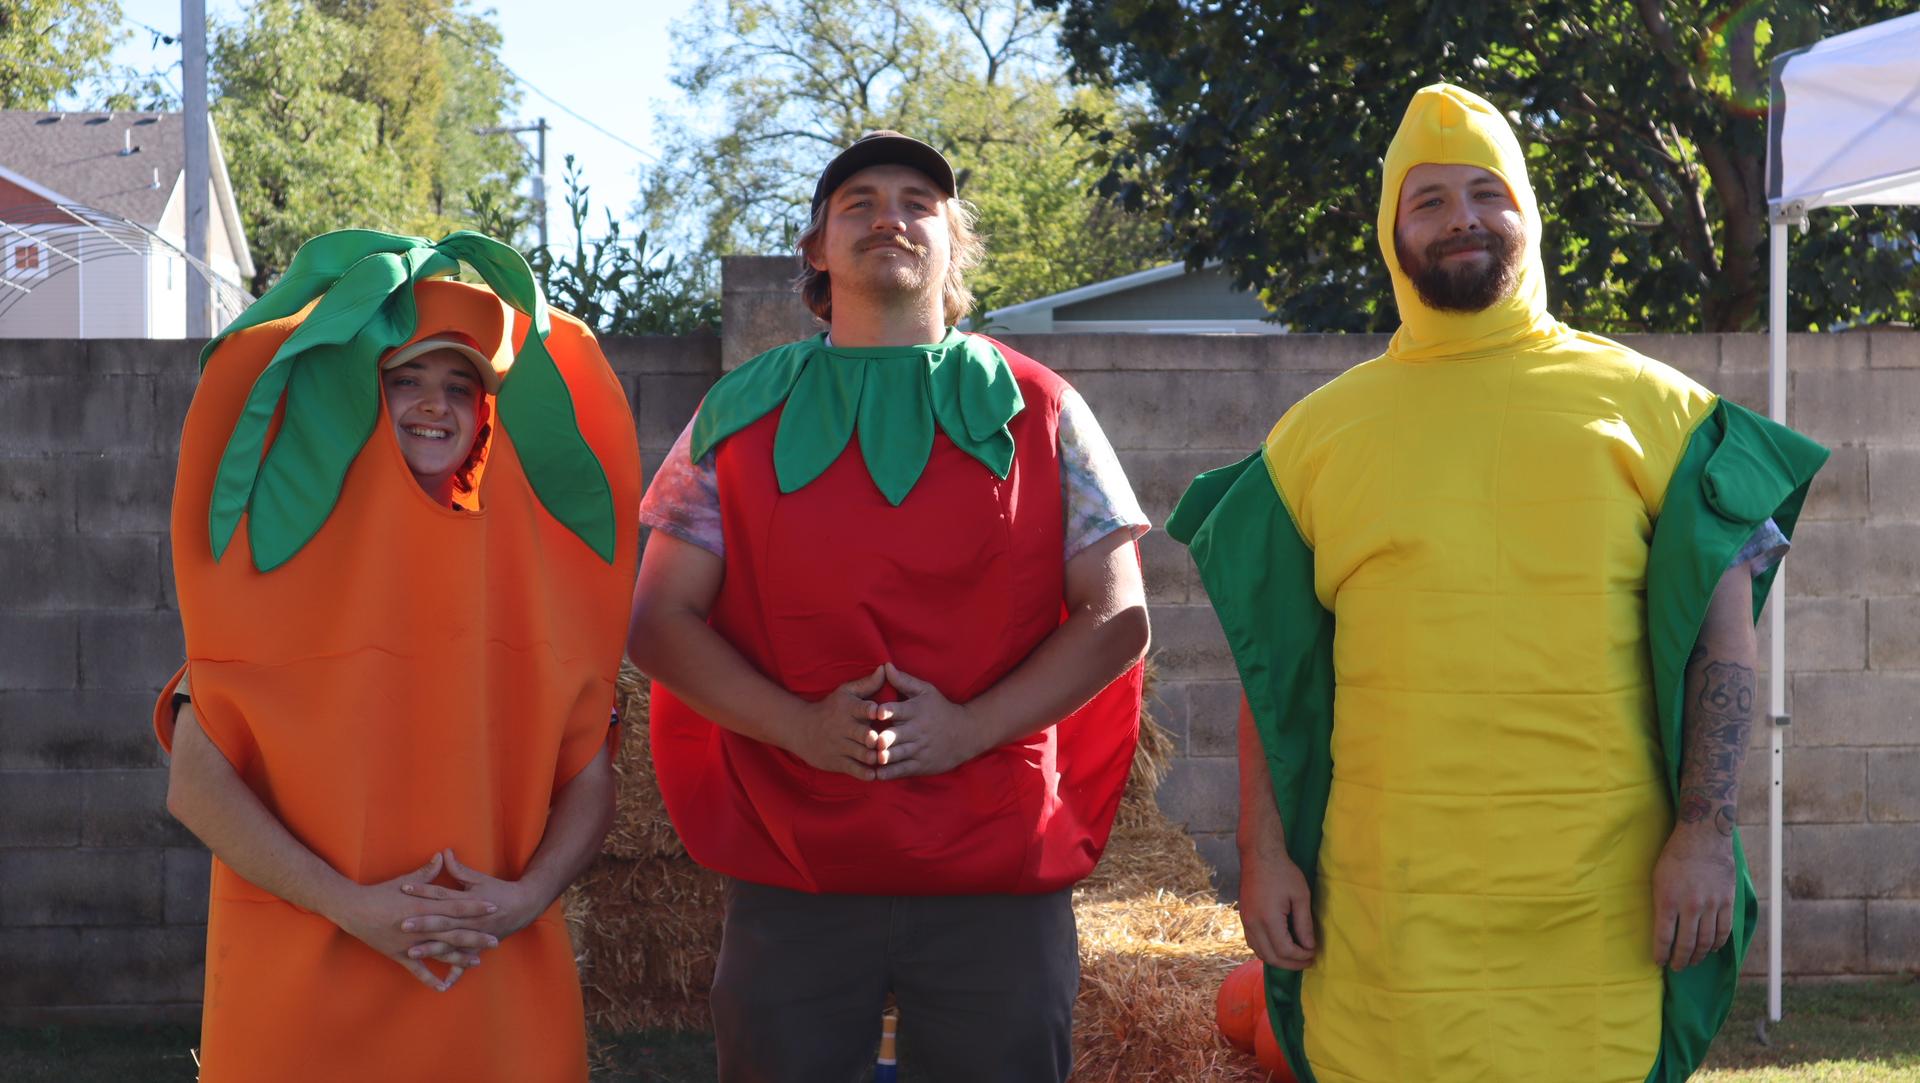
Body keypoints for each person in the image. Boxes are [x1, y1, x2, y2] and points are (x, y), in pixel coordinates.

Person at [1166, 85, 1828, 1083]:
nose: (1462, 218)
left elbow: (1722, 644)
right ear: (1392, 232)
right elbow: (1275, 674)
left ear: (1528, 213)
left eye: (1487, 192)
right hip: (1388, 909)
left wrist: (1704, 834)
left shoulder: (1658, 412)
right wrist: (1263, 853)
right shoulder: (1314, 439)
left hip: (1596, 905)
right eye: (1428, 199)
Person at [627, 131, 1150, 1083]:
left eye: (917, 202)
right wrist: (796, 725)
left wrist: (969, 728)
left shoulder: (1046, 408)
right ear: (817, 250)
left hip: (996, 867)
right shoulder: (734, 414)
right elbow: (658, 620)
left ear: (954, 243)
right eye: (858, 203)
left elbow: (1119, 616)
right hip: (796, 868)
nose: (889, 218)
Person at [155, 231, 642, 1082]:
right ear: (358, 392)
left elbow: (586, 772)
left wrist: (524, 898)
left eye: (460, 385)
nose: (433, 404)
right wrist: (353, 907)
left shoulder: (531, 574)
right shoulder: (283, 558)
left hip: (491, 977)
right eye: (405, 378)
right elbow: (197, 782)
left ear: (487, 409)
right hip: (306, 991)